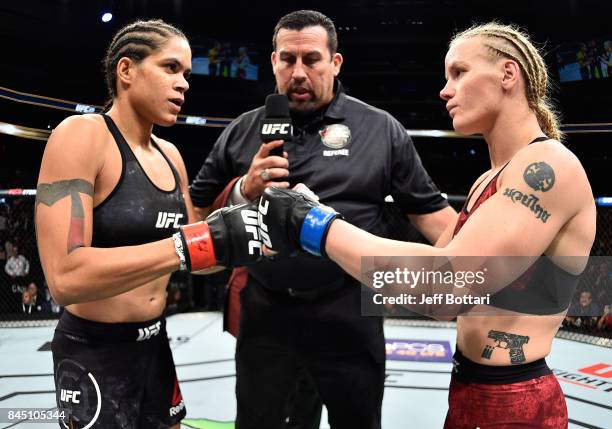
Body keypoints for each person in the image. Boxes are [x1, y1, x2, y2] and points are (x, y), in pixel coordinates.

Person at [258, 22, 596, 429]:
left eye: (459, 72)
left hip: (517, 399)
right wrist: (311, 219)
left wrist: (315, 224)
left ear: (508, 74)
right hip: (471, 387)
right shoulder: (487, 180)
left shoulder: (549, 167)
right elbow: (432, 275)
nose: (445, 90)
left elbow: (446, 289)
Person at [189, 10, 455, 429]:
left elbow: (435, 219)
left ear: (335, 63)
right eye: (287, 60)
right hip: (266, 311)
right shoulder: (242, 130)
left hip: (347, 310)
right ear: (273, 61)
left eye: (311, 59)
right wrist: (244, 189)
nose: (298, 72)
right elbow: (196, 213)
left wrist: (493, 267)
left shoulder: (380, 129)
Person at [35, 19, 260, 429]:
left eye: (187, 74)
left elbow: (200, 254)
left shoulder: (171, 155)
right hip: (92, 350)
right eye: (170, 68)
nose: (184, 84)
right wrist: (186, 246)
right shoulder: (82, 136)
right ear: (126, 71)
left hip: (154, 343)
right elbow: (65, 277)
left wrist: (249, 228)